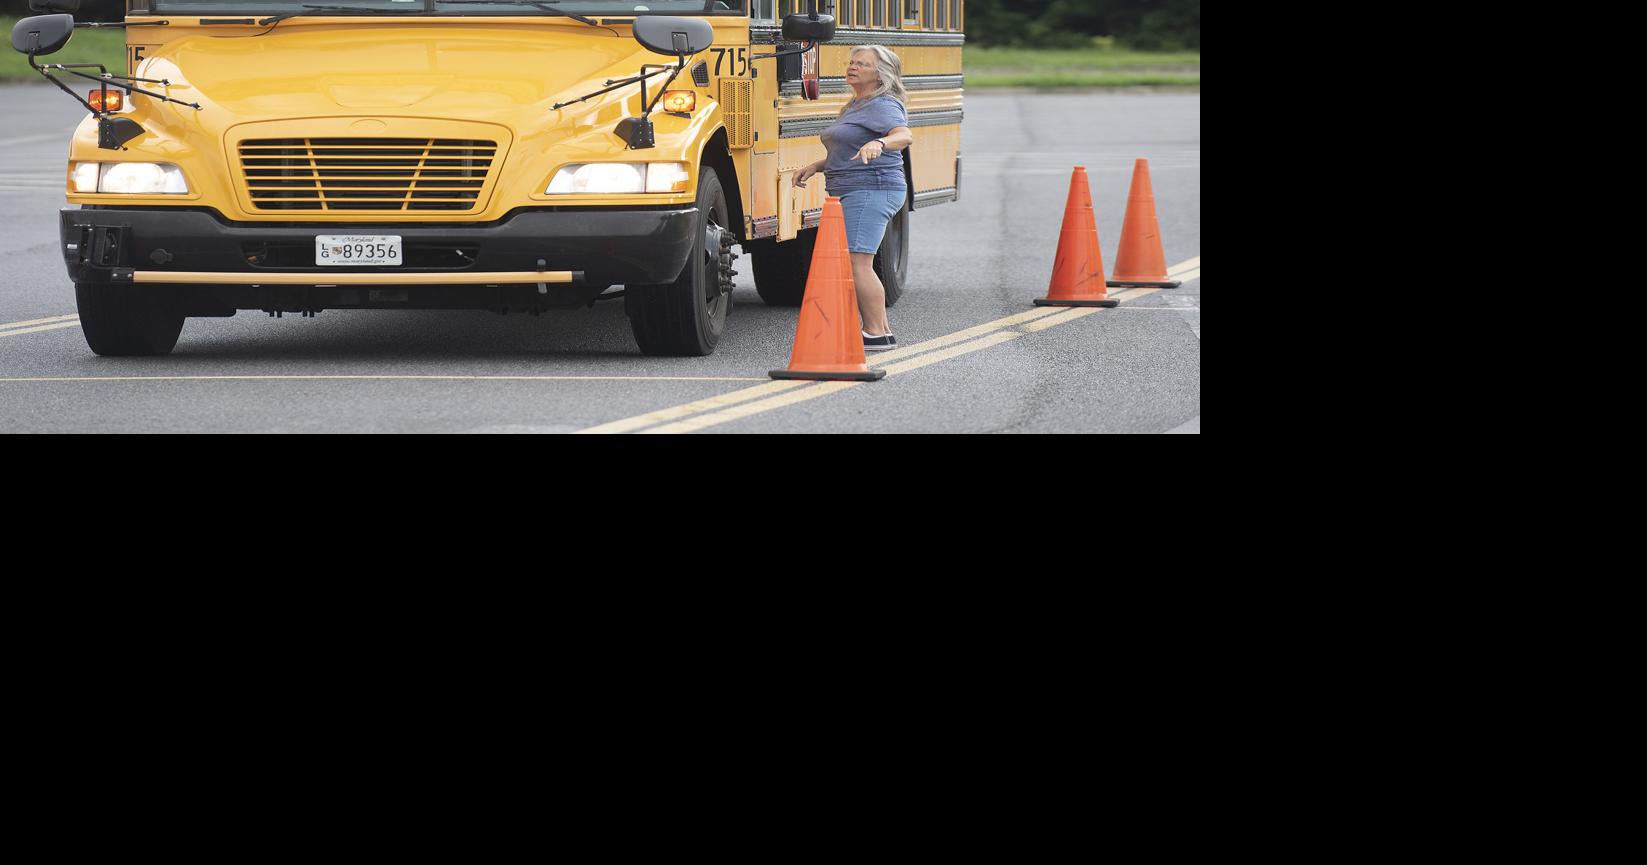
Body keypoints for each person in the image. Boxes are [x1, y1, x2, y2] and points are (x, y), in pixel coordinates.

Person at [793, 45, 913, 351]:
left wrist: (880, 143)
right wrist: (817, 166)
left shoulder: (883, 104)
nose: (853, 67)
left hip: (871, 188)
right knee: (857, 262)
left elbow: (904, 135)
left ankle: (874, 332)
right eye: (852, 62)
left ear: (880, 75)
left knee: (858, 262)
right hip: (854, 188)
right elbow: (850, 149)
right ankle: (881, 331)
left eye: (862, 64)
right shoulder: (855, 105)